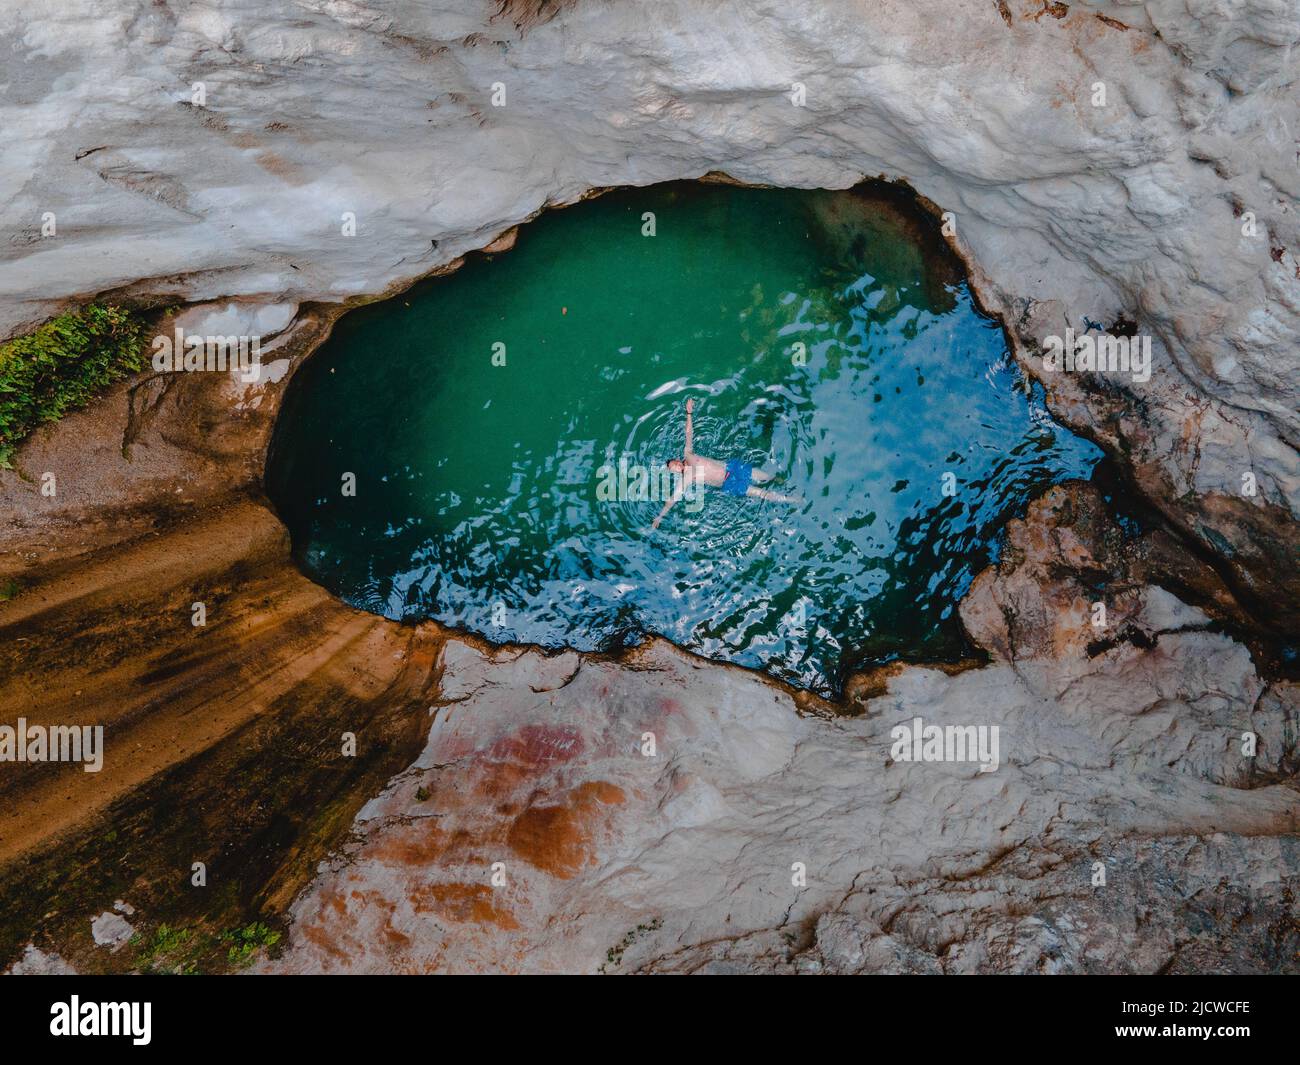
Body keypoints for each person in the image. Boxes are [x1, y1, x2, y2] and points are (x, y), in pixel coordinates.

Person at [650, 397, 799, 529]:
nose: (675, 468)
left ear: (677, 460)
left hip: (733, 467)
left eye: (673, 464)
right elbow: (672, 499)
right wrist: (660, 516)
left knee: (767, 477)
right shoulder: (687, 478)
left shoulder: (688, 454)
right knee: (761, 493)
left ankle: (781, 480)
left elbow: (689, 433)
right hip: (730, 483)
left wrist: (688, 414)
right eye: (672, 470)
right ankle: (792, 500)